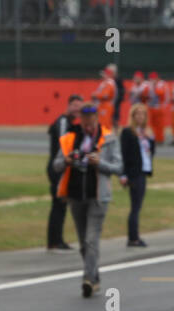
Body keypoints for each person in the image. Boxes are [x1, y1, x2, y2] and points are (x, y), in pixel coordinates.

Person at [51, 103, 122, 298]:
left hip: (98, 196)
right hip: (75, 195)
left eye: (91, 120)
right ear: (80, 120)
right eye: (85, 120)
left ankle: (88, 280)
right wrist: (67, 160)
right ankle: (95, 276)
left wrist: (100, 162)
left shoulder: (108, 138)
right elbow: (56, 165)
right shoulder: (71, 138)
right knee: (84, 243)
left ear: (97, 118)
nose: (88, 124)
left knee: (91, 239)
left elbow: (119, 167)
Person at [46, 94, 82, 252]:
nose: (77, 109)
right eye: (75, 105)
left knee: (62, 205)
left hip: (63, 167)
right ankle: (53, 241)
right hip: (57, 167)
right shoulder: (63, 121)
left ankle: (58, 239)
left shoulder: (69, 122)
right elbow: (63, 144)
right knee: (58, 204)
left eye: (79, 107)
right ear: (68, 105)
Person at [120, 103, 155, 248]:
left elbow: (151, 152)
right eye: (138, 114)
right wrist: (123, 174)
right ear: (133, 116)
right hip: (133, 173)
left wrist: (151, 140)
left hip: (144, 170)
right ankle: (133, 238)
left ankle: (134, 236)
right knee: (135, 206)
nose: (141, 116)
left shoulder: (145, 133)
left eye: (143, 114)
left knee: (138, 206)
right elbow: (123, 153)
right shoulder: (128, 132)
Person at [149, 71, 169, 145]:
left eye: (153, 78)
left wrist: (154, 87)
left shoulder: (161, 84)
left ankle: (160, 139)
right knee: (153, 124)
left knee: (159, 125)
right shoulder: (150, 84)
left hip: (159, 107)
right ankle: (155, 138)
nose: (152, 80)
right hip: (152, 107)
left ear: (157, 78)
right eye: (151, 78)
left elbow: (160, 93)